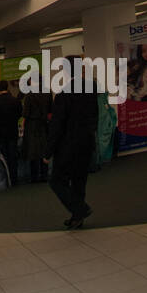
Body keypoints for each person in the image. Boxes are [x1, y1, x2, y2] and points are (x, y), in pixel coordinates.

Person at [47, 77, 98, 229]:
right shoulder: (90, 93)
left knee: (56, 181)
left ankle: (80, 209)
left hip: (67, 147)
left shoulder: (63, 96)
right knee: (79, 181)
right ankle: (77, 217)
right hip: (86, 143)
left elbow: (57, 126)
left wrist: (48, 151)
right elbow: (95, 116)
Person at [0, 80, 21, 186]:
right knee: (13, 157)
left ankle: (5, 179)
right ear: (8, 88)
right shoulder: (15, 101)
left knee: (2, 158)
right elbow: (19, 114)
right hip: (12, 132)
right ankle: (14, 179)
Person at [21, 84, 51, 183]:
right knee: (44, 149)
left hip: (32, 125)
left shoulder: (29, 95)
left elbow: (25, 113)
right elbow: (51, 110)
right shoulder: (47, 93)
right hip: (44, 124)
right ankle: (44, 174)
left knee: (33, 151)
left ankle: (34, 176)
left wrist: (23, 124)